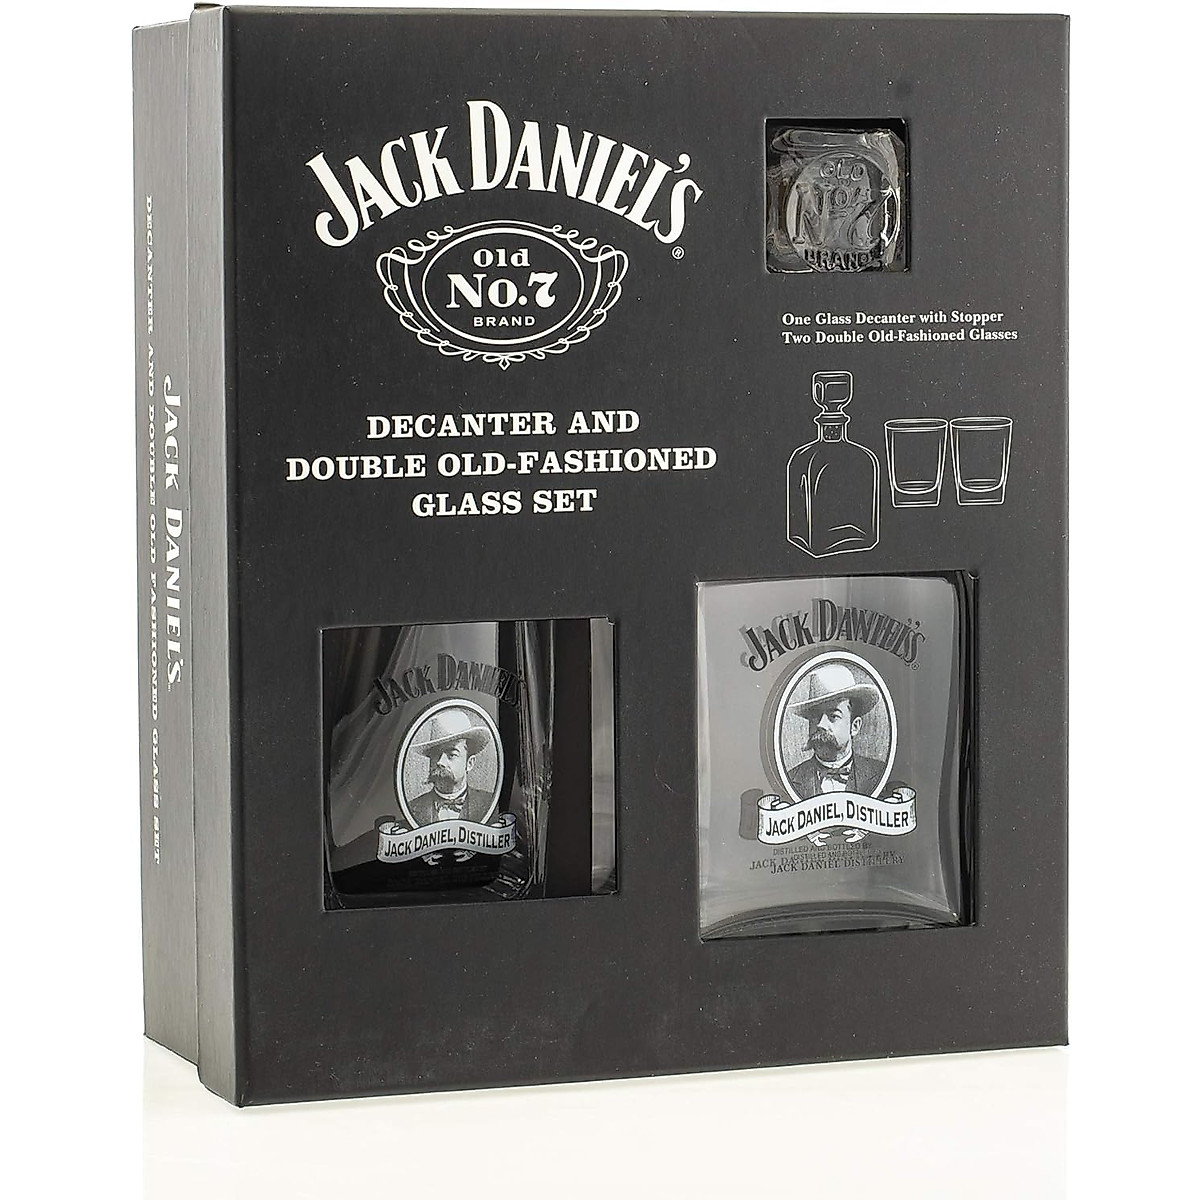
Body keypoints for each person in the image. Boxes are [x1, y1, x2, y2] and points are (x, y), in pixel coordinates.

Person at [785, 662, 887, 800]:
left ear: (854, 726)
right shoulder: (790, 780)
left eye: (833, 716)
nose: (820, 724)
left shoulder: (880, 774)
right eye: (815, 716)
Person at [405, 707, 496, 825]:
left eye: (451, 754)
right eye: (436, 754)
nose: (440, 762)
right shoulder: (412, 809)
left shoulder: (490, 804)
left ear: (469, 763)